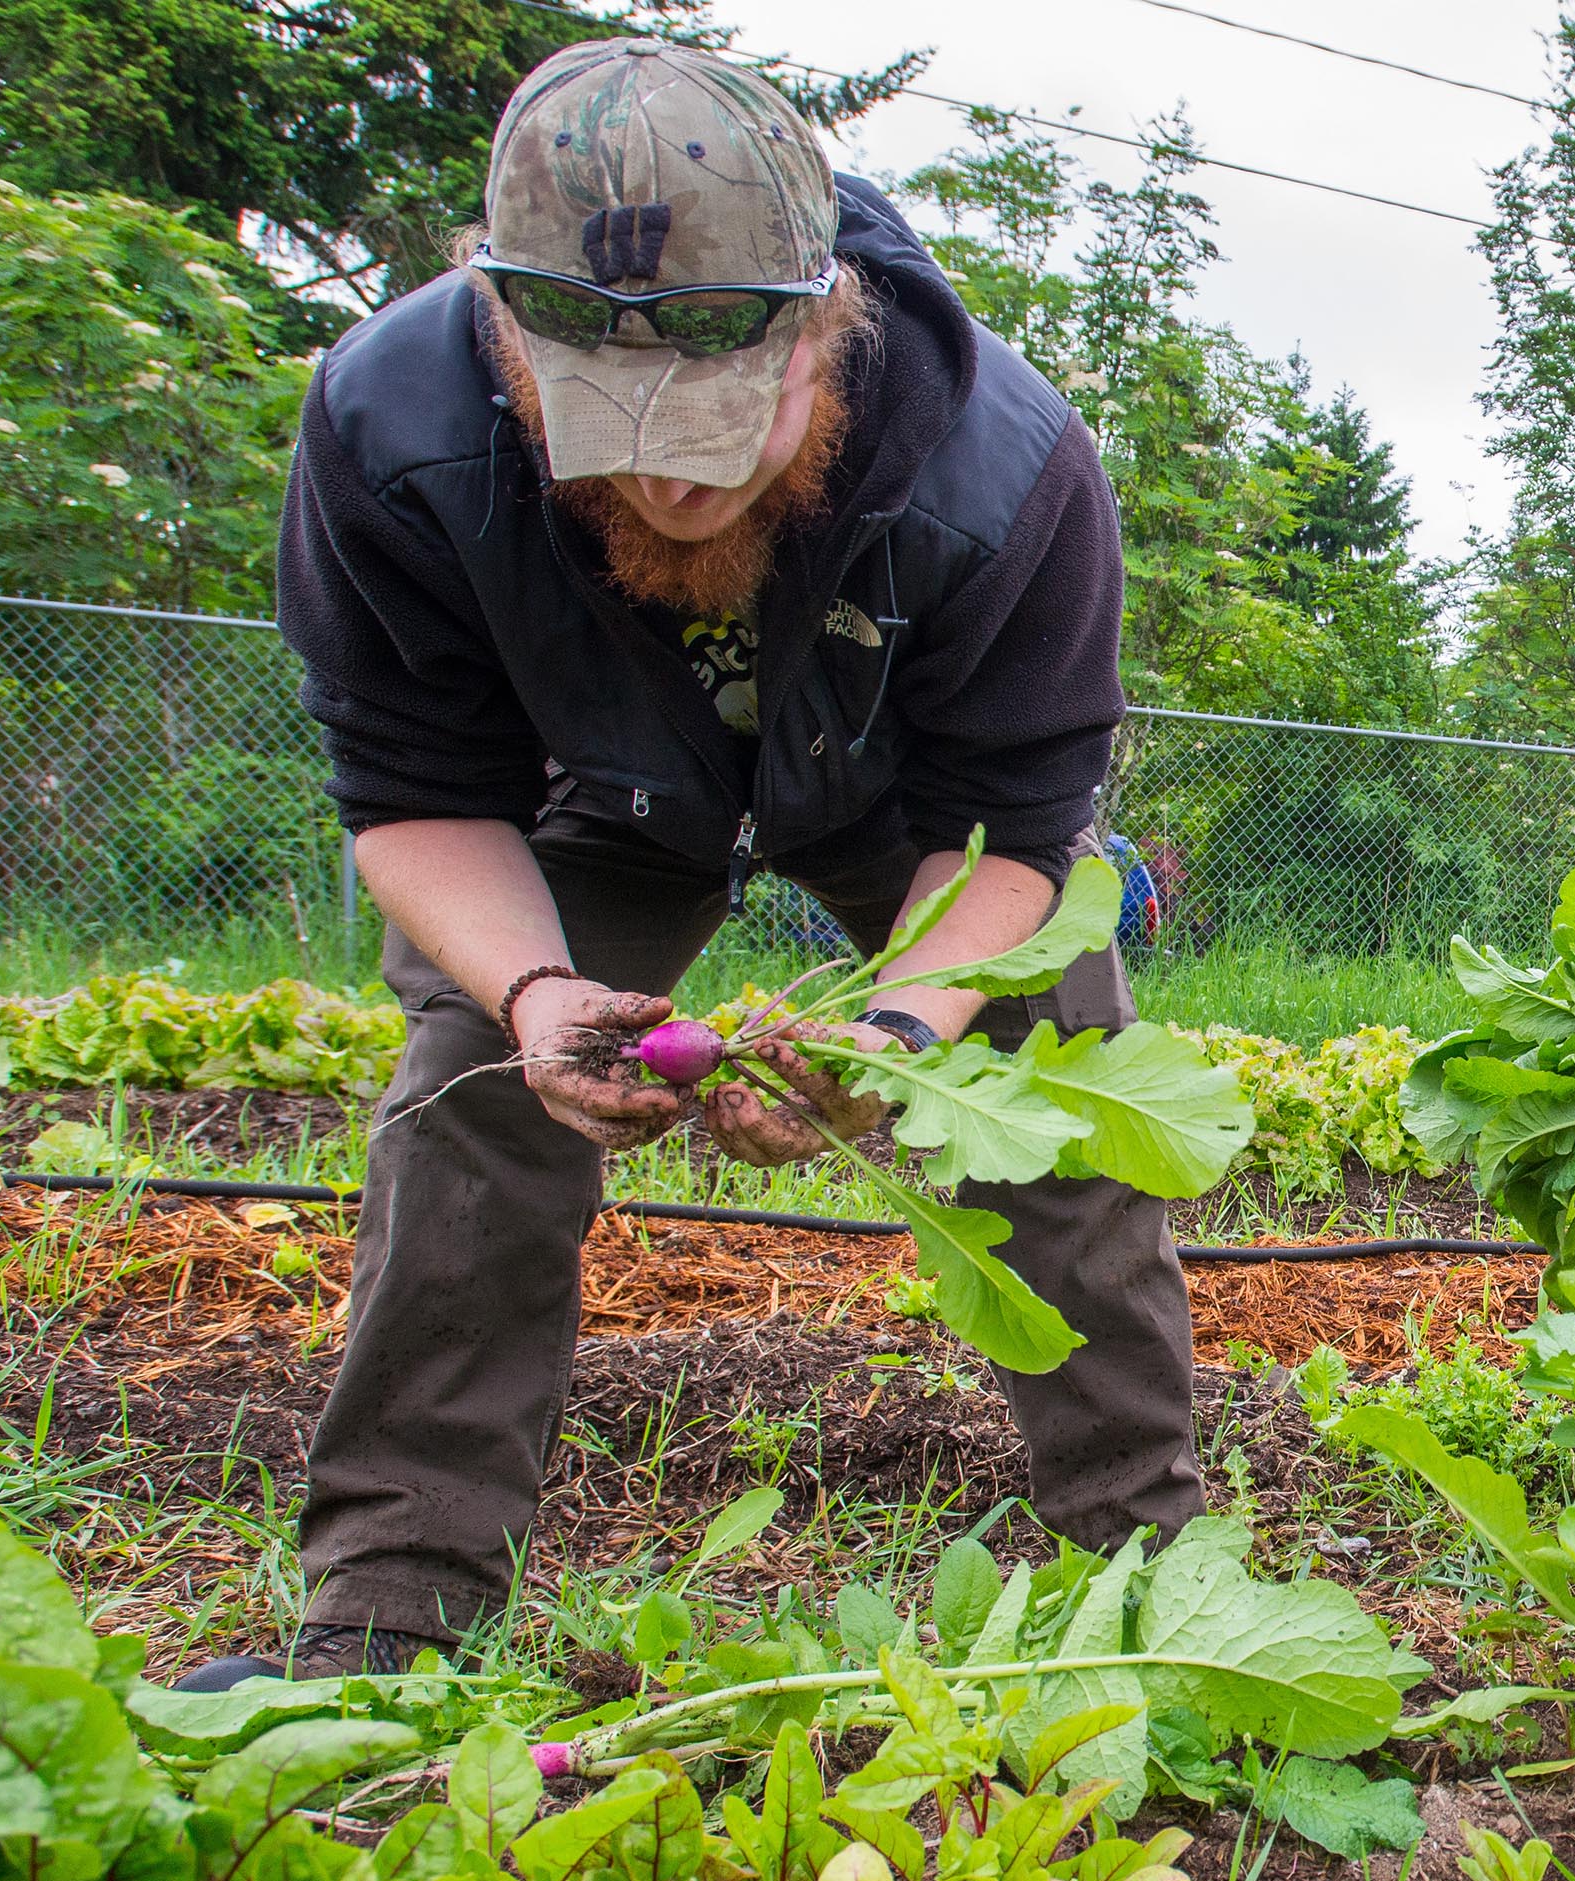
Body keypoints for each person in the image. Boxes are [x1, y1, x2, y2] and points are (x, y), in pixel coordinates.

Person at [184, 37, 1199, 1687]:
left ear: (824, 326)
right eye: (614, 430)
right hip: (598, 786)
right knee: (470, 1095)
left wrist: (900, 1038)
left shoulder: (1003, 473)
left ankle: (1147, 1566)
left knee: (1053, 1091)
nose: (671, 475)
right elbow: (417, 786)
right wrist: (528, 991)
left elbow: (1014, 833)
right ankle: (387, 1614)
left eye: (726, 422)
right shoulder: (393, 430)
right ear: (513, 342)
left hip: (907, 808)